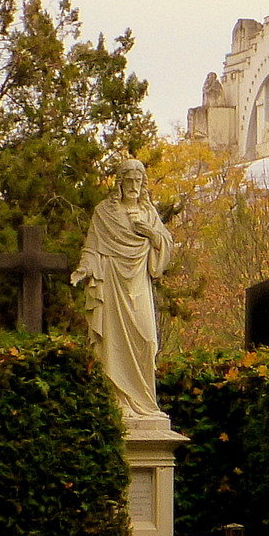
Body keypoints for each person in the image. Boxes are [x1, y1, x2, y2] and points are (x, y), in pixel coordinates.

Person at [74, 158, 175, 426]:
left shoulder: (149, 213)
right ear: (120, 183)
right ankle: (119, 401)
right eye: (128, 180)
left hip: (138, 284)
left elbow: (165, 246)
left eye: (138, 181)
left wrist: (151, 233)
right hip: (112, 284)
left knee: (148, 341)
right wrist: (84, 269)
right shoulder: (105, 213)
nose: (133, 186)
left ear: (143, 184)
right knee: (112, 344)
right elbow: (92, 248)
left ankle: (145, 404)